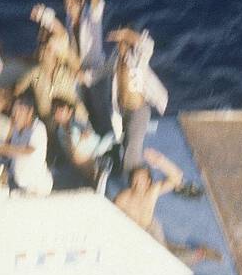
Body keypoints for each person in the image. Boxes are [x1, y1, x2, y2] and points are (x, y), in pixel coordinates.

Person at [104, 25, 168, 174]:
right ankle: (127, 172)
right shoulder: (116, 60)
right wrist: (84, 75)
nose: (120, 45)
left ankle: (132, 181)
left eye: (124, 42)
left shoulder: (138, 58)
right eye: (119, 42)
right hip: (122, 111)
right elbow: (99, 72)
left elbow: (148, 45)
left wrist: (125, 33)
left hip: (139, 111)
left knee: (132, 148)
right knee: (124, 142)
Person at [0, 97, 53, 196]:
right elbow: (9, 151)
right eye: (14, 111)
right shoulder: (17, 128)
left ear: (30, 112)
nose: (15, 115)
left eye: (20, 112)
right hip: (18, 184)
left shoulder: (38, 128)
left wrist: (0, 148)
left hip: (37, 189)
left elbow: (27, 150)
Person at [50, 98, 115, 183]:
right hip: (81, 156)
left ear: (69, 112)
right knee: (75, 156)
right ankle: (95, 175)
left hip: (97, 147)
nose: (59, 114)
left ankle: (97, 171)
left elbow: (89, 131)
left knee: (75, 138)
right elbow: (69, 151)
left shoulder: (77, 122)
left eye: (62, 111)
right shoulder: (60, 132)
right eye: (56, 113)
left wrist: (83, 136)